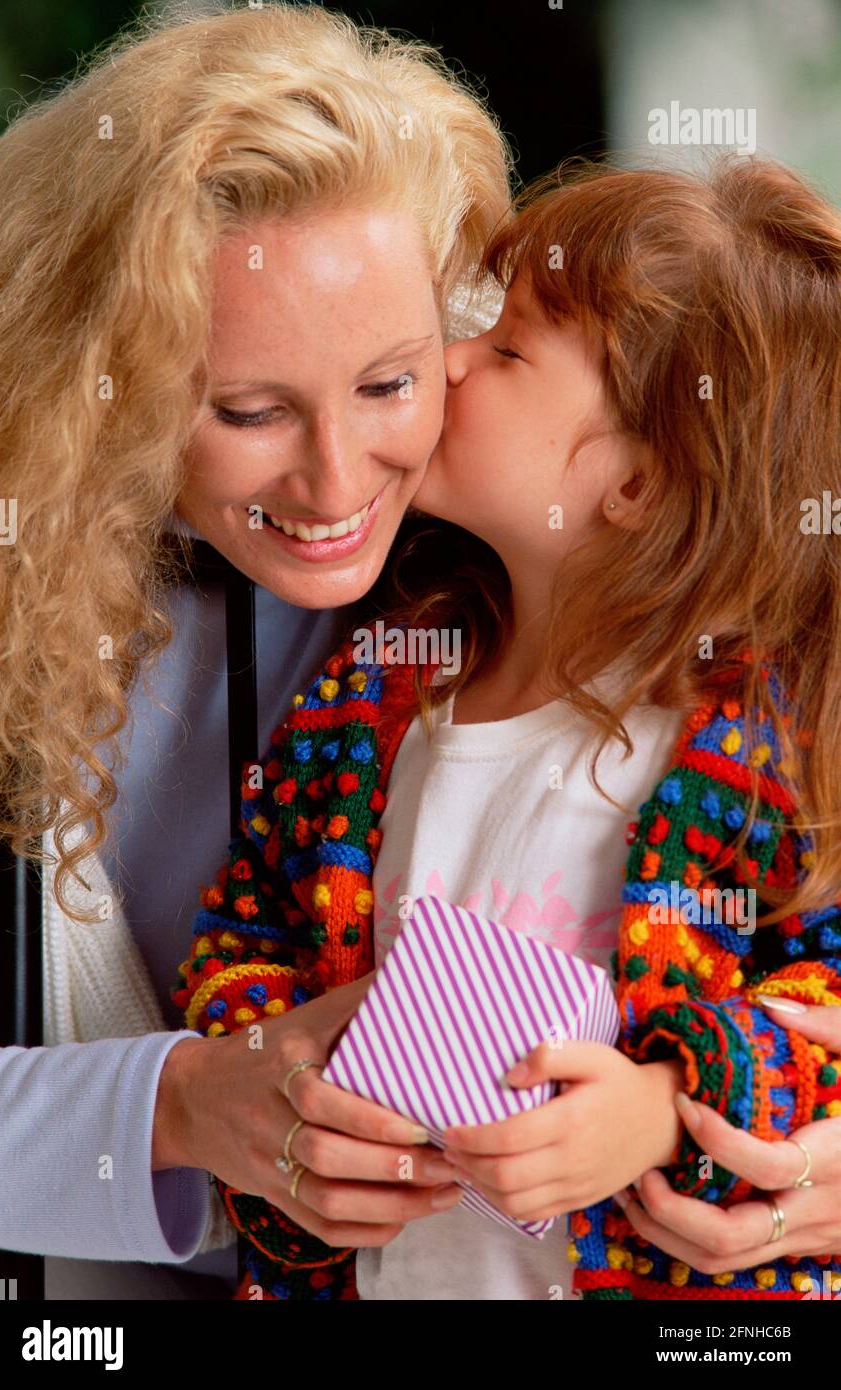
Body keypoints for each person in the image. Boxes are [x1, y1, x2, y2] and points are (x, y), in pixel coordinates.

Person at [171, 155, 841, 1299]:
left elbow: (817, 1020)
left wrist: (666, 1104)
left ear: (634, 483)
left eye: (509, 348)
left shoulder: (755, 757)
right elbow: (242, 940)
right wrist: (283, 1111)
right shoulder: (365, 706)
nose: (447, 361)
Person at [0, 1, 512, 1296]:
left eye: (390, 383)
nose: (337, 483)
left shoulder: (532, 556)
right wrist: (174, 1106)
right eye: (249, 410)